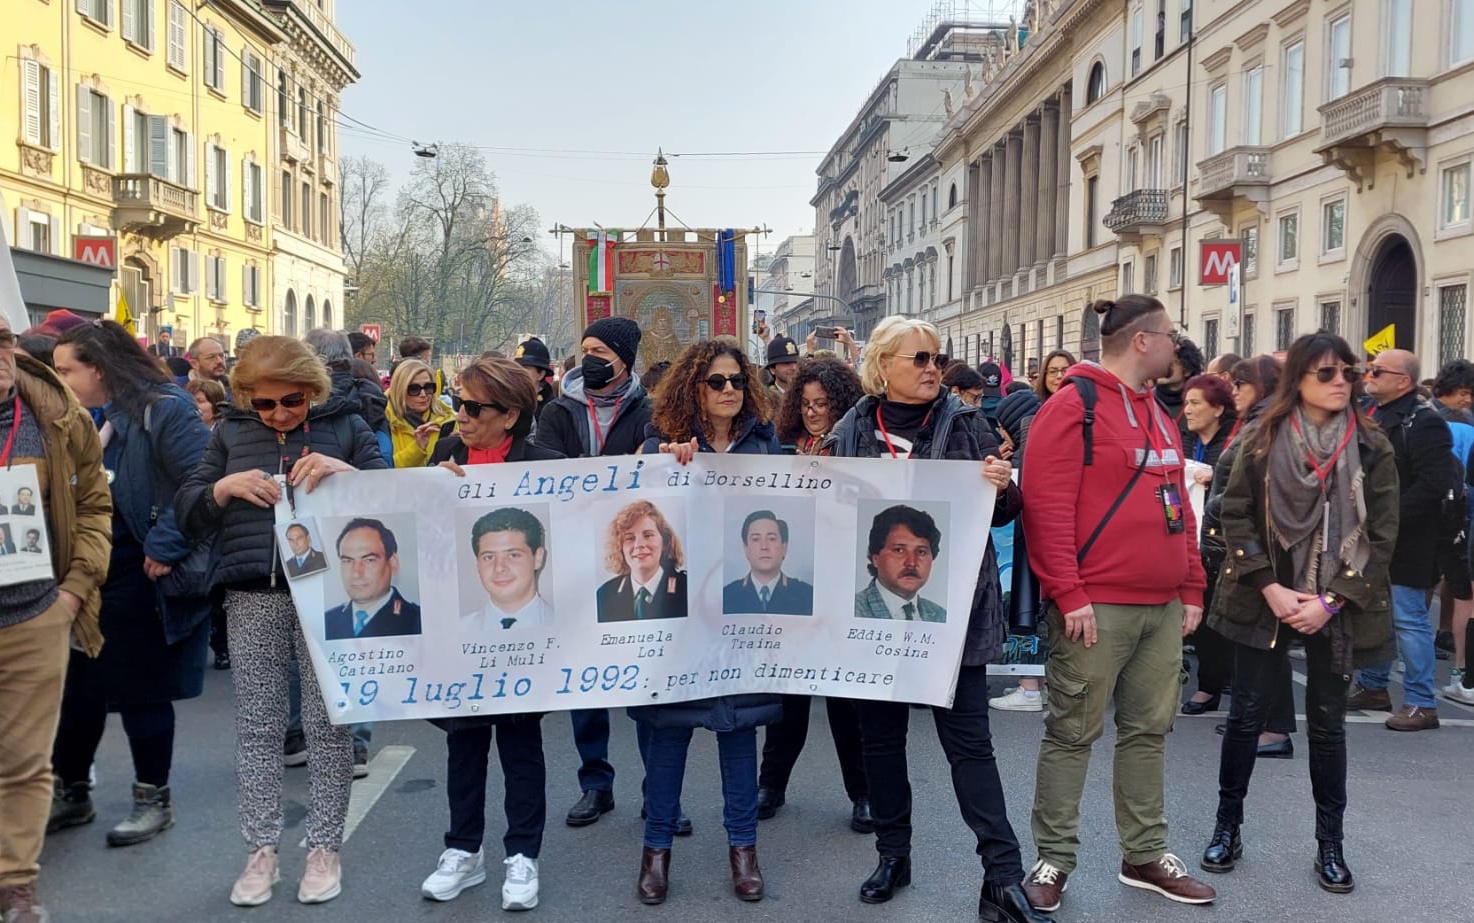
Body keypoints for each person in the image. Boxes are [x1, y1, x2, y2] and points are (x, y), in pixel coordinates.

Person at [823, 316, 1043, 922]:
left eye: (935, 359)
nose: (931, 369)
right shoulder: (852, 430)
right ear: (883, 365)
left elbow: (1004, 514)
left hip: (953, 619)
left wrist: (1003, 486)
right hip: (874, 618)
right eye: (918, 359)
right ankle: (894, 855)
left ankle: (1001, 876)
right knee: (882, 743)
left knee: (970, 749)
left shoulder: (967, 423)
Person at [176, 335, 386, 908]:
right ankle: (260, 851)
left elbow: (395, 499)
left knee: (328, 725)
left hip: (332, 593)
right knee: (259, 728)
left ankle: (324, 849)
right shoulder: (228, 432)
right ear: (244, 396)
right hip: (252, 591)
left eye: (290, 401)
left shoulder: (346, 426)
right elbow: (188, 509)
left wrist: (345, 471)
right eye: (263, 404)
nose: (277, 414)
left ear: (313, 390)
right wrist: (222, 488)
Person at [1021, 295, 1216, 912]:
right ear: (1141, 341)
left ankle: (1144, 853)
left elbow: (1178, 507)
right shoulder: (1070, 407)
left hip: (1160, 607)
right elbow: (1046, 511)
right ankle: (1053, 859)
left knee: (1148, 732)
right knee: (1072, 733)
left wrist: (1190, 586)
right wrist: (1069, 593)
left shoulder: (1156, 411)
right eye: (1170, 335)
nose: (1176, 345)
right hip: (1095, 607)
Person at [1201, 333, 1397, 894]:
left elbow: (1382, 535)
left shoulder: (1372, 445)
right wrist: (1268, 586)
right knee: (1246, 719)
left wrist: (1332, 599)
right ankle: (1227, 828)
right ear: (1299, 382)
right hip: (1265, 596)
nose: (1341, 382)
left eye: (1349, 373)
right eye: (1327, 373)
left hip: (1336, 601)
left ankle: (1330, 845)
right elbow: (1232, 513)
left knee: (1329, 726)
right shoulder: (1262, 438)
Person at [47, 319, 213, 849]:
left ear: (98, 367)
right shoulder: (92, 415)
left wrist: (163, 545)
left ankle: (152, 799)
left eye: (65, 369)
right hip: (90, 574)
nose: (58, 379)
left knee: (141, 691)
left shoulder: (166, 408)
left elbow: (202, 483)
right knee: (78, 692)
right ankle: (72, 792)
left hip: (141, 572)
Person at [634, 338, 782, 905]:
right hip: (680, 616)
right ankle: (656, 852)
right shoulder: (660, 445)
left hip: (744, 612)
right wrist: (667, 466)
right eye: (716, 381)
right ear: (693, 386)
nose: (728, 391)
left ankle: (744, 851)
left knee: (739, 733)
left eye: (737, 381)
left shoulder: (766, 444)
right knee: (668, 735)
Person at [424, 355, 562, 911]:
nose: (460, 414)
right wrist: (432, 492)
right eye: (458, 401)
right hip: (464, 631)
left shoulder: (549, 464)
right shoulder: (443, 457)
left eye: (474, 406)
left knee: (521, 744)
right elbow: (428, 546)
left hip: (529, 639)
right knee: (465, 742)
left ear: (509, 416)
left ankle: (522, 855)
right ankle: (463, 849)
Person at [0, 316, 111, 923]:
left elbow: (96, 504)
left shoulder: (58, 416)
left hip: (32, 616)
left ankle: (16, 886)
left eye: (1, 339)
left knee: (24, 761)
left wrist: (71, 594)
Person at [532, 316, 652, 830]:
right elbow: (544, 469)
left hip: (637, 561)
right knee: (588, 682)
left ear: (624, 357)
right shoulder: (558, 411)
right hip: (578, 561)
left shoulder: (652, 412)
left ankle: (659, 791)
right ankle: (595, 783)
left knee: (647, 682)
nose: (590, 358)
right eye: (584, 348)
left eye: (600, 349)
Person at [762, 357, 871, 829]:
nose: (812, 412)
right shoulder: (784, 445)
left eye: (822, 404)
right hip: (794, 580)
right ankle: (771, 784)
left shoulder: (859, 446)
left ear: (841, 403)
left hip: (844, 582)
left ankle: (863, 794)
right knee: (787, 696)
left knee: (847, 700)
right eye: (805, 404)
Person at [1349, 348, 1454, 731]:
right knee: (1375, 612)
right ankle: (1375, 686)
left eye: (1377, 371)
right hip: (1374, 536)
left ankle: (1422, 702)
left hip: (1409, 539)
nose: (1368, 375)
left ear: (1403, 381)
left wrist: (1384, 519)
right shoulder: (1371, 413)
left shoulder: (1423, 422)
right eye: (1369, 369)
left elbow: (1433, 485)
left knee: (1409, 619)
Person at [1197, 356, 1296, 754]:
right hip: (1240, 542)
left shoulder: (1266, 426)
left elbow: (1249, 490)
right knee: (1253, 640)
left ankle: (1274, 728)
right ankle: (1259, 721)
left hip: (1254, 546)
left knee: (1264, 640)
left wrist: (1216, 505)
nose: (1234, 389)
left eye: (1242, 383)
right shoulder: (1257, 422)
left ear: (1263, 386)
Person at [1428, 359, 1474, 701]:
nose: (1468, 401)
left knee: (1463, 593)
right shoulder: (1464, 426)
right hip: (1460, 515)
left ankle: (1463, 671)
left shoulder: (1429, 421)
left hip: (1450, 515)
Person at [322, 520, 420, 639]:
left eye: (369, 560)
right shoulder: (327, 621)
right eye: (347, 561)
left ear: (393, 563)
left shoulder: (416, 620)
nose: (356, 573)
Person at [595, 501, 690, 623]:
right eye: (630, 538)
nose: (639, 545)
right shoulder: (604, 595)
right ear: (619, 547)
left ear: (665, 542)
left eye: (648, 535)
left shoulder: (686, 588)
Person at [463, 508, 552, 632]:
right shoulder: (456, 631)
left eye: (513, 555)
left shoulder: (571, 626)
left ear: (538, 558)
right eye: (489, 557)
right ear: (478, 564)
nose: (499, 568)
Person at [854, 505, 947, 622]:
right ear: (876, 559)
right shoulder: (853, 610)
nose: (912, 563)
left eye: (921, 552)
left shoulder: (940, 615)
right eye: (899, 550)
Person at [722, 510, 814, 614]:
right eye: (756, 539)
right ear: (746, 548)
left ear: (784, 548)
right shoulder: (726, 596)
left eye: (771, 539)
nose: (764, 547)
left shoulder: (807, 596)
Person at [385, 359, 456, 469]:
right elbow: (384, 469)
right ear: (400, 390)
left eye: (428, 387)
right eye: (414, 389)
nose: (423, 394)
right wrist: (417, 448)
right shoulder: (384, 420)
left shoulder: (449, 419)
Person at [1154, 335, 1206, 448]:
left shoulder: (1200, 403)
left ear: (1187, 370)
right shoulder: (1148, 399)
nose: (1163, 367)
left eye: (1171, 364)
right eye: (1160, 361)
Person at [1181, 374, 1235, 473]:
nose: (1187, 410)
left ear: (1218, 409)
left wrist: (1212, 479)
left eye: (1195, 403)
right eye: (1186, 403)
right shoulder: (1181, 442)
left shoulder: (1234, 447)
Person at [512, 336, 556, 425]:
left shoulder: (553, 410)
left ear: (540, 374)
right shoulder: (508, 402)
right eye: (516, 368)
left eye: (525, 368)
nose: (519, 373)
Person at [765, 335, 801, 400]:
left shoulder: (806, 395)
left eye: (796, 362)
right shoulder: (763, 399)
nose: (794, 367)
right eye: (786, 363)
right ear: (772, 369)